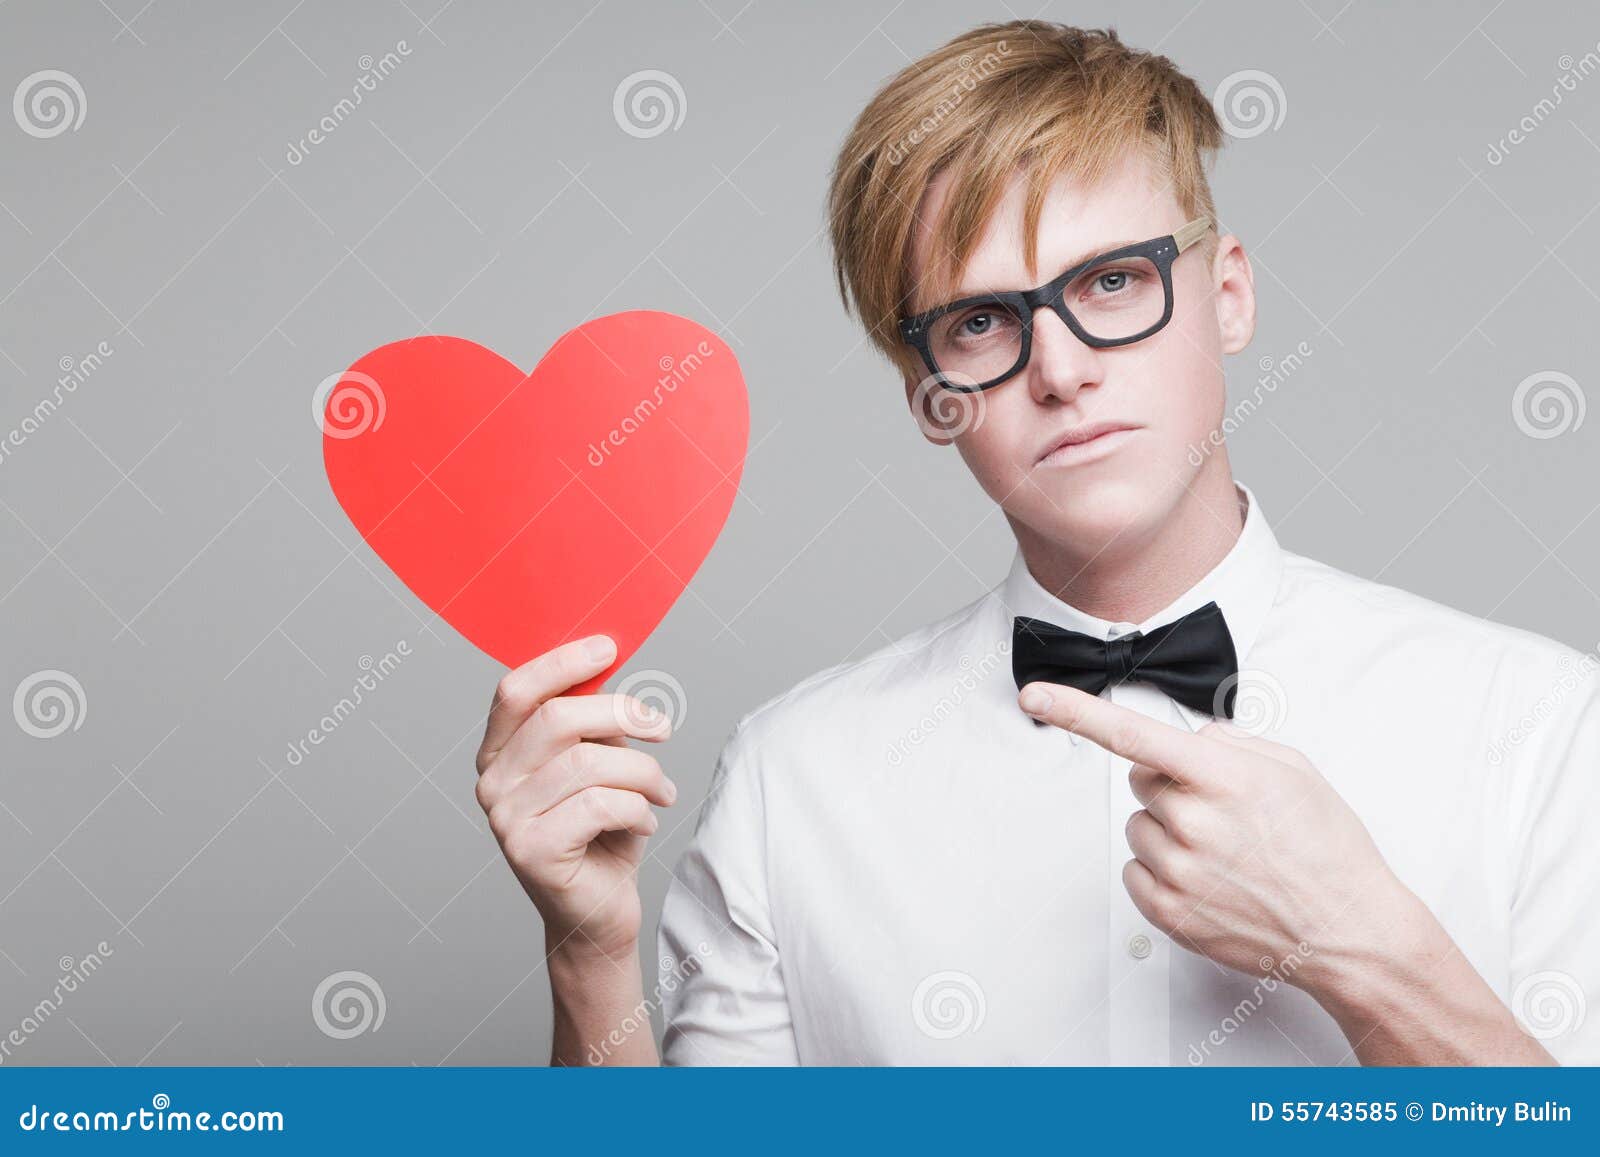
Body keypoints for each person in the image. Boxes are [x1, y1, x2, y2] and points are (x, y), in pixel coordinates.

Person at [471, 21, 1599, 1066]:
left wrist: (1366, 953)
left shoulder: (1539, 727)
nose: (1059, 369)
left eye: (1113, 281)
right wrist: (586, 957)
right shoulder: (791, 783)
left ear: (1229, 294)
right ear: (929, 396)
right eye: (980, 322)